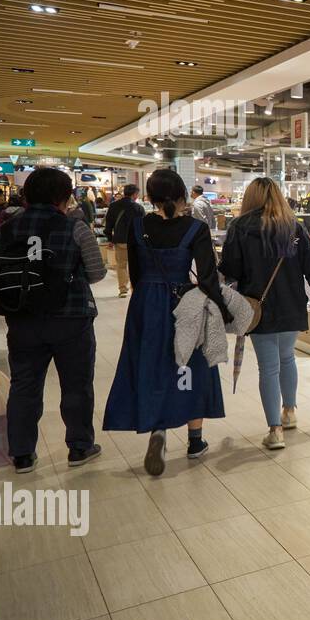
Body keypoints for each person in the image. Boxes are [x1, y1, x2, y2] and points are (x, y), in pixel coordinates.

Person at [103, 168, 231, 476]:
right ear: (183, 196)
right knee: (191, 366)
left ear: (149, 197)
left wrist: (145, 295)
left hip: (146, 302)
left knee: (152, 364)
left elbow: (134, 273)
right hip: (185, 303)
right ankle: (195, 441)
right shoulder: (195, 229)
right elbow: (207, 277)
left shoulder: (138, 227)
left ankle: (157, 430)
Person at [0, 167, 107, 473]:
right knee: (76, 385)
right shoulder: (74, 228)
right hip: (71, 317)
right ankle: (79, 447)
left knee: (24, 384)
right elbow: (97, 272)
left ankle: (23, 454)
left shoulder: (8, 227)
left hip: (23, 318)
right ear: (65, 197)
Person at [220, 177, 310, 450]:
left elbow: (230, 270)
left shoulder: (239, 228)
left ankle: (275, 429)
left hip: (258, 309)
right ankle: (290, 411)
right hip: (292, 305)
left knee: (268, 368)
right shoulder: (293, 227)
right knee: (288, 359)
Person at [104, 183, 144, 298]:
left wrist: (110, 239)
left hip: (120, 240)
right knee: (134, 265)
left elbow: (109, 224)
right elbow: (142, 226)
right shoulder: (138, 208)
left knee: (121, 265)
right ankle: (134, 288)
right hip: (135, 241)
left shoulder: (113, 206)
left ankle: (123, 290)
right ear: (135, 194)